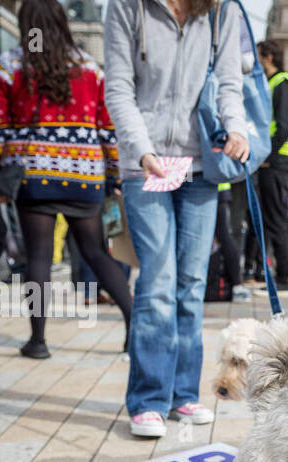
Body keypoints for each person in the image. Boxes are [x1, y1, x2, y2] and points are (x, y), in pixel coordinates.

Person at [103, 0, 248, 438]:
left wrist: (236, 127)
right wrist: (140, 148)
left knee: (191, 284)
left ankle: (184, 394)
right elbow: (119, 87)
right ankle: (147, 399)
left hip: (200, 165)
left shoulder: (222, 11)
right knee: (159, 282)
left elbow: (229, 82)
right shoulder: (128, 8)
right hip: (146, 164)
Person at [0, 0, 131, 361]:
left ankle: (38, 340)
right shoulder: (89, 68)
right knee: (96, 251)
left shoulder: (11, 65)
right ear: (63, 23)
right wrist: (114, 175)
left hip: (35, 177)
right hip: (84, 175)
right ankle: (133, 325)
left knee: (39, 257)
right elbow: (107, 128)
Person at [257, 38, 288, 293]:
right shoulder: (276, 83)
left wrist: (268, 156)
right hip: (277, 159)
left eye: (259, 55)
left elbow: (282, 124)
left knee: (278, 221)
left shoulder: (282, 83)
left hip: (276, 160)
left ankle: (286, 279)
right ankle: (287, 277)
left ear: (269, 57)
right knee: (279, 220)